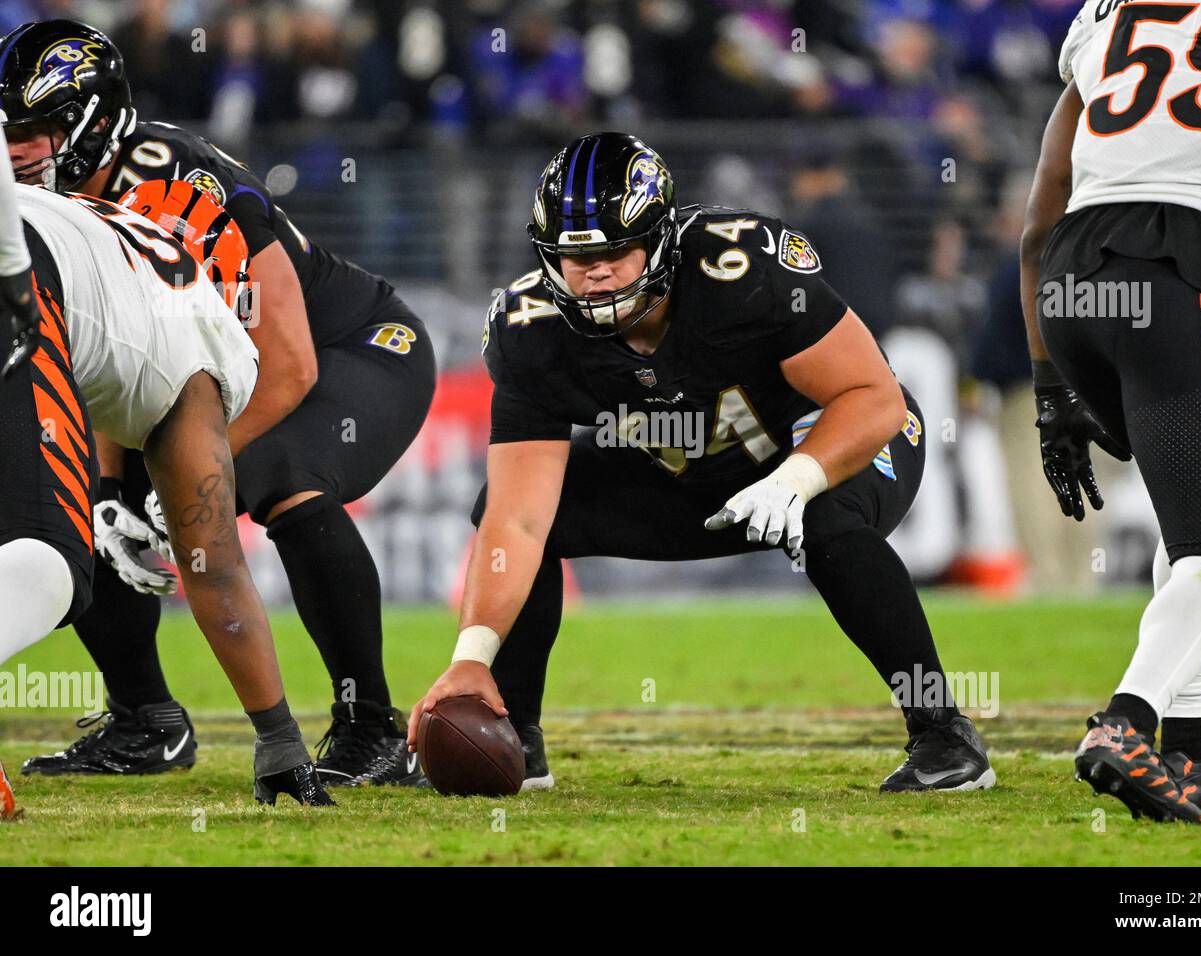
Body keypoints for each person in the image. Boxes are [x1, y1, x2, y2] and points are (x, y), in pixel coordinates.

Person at [407, 131, 995, 794]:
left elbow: (873, 397)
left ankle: (944, 733)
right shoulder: (531, 329)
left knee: (828, 522)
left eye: (613, 251)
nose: (594, 272)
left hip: (825, 441)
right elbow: (517, 522)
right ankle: (511, 731)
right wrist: (470, 658)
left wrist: (797, 479)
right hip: (688, 469)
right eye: (575, 257)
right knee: (507, 508)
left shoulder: (742, 268)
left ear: (660, 240)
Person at [0, 19, 437, 787]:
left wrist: (186, 488)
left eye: (36, 129)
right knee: (87, 506)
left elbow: (289, 363)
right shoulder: (44, 208)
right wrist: (110, 492)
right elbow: (107, 372)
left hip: (350, 349)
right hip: (211, 370)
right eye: (5, 130)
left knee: (283, 481)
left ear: (94, 120)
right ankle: (145, 720)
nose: (16, 149)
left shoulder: (174, 183)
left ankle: (372, 728)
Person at [1021, 0, 1201, 821]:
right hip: (1180, 262)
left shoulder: (1108, 10)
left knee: (1189, 516)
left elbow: (1043, 205)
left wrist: (1048, 387)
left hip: (1073, 274)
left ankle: (1191, 750)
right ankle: (1129, 722)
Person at [0, 133, 331, 815]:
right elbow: (214, 566)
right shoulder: (202, 333)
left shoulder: (95, 224)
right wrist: (279, 738)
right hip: (21, 279)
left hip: (20, 230)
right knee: (57, 558)